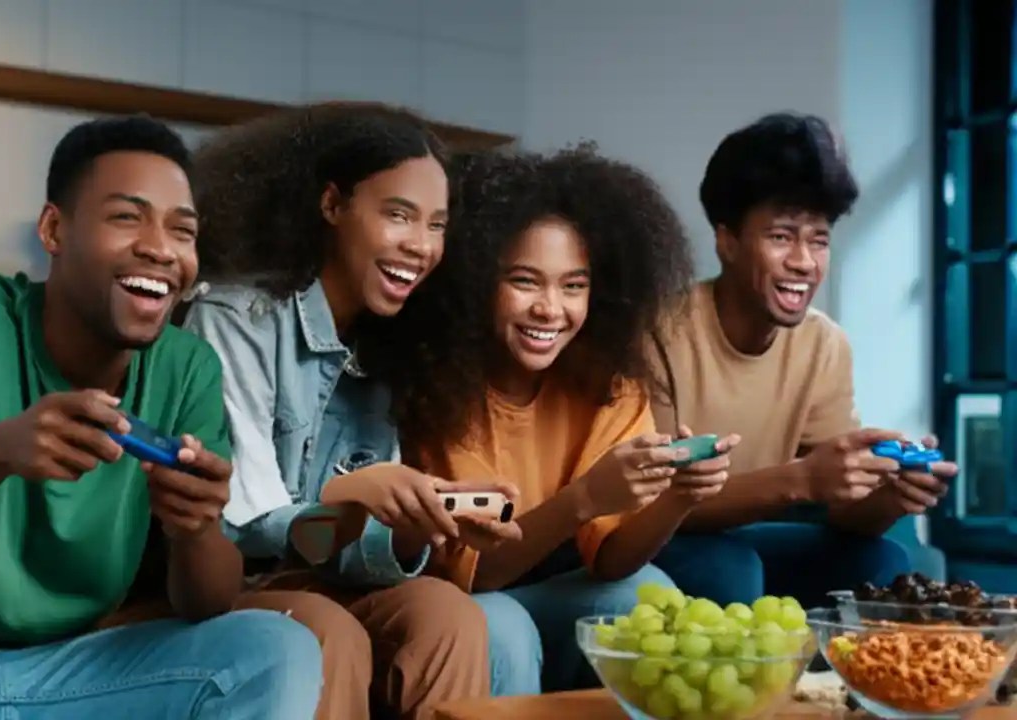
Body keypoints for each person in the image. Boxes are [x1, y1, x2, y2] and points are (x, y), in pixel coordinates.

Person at [0, 116, 323, 720]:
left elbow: (208, 602)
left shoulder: (188, 366)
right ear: (54, 229)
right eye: (127, 216)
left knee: (276, 649)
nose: (160, 247)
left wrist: (196, 527)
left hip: (75, 670)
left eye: (183, 230)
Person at [178, 102, 520, 720]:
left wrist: (415, 522)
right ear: (332, 206)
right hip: (224, 587)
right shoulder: (235, 320)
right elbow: (243, 531)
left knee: (447, 615)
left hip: (317, 579)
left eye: (438, 225)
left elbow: (337, 552)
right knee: (322, 629)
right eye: (398, 215)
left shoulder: (397, 345)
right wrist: (349, 498)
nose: (420, 245)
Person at [391, 144, 736, 692]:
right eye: (525, 282)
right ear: (476, 283)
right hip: (455, 604)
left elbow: (613, 560)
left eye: (573, 286)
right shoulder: (443, 393)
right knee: (501, 627)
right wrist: (585, 498)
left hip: (544, 591)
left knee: (651, 594)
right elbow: (477, 576)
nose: (551, 309)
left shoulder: (610, 387)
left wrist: (680, 496)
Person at [647, 111, 960, 608]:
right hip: (656, 541)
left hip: (755, 534)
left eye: (819, 239)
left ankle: (838, 688)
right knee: (730, 566)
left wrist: (890, 496)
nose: (804, 262)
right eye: (781, 236)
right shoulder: (658, 333)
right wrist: (799, 480)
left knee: (885, 561)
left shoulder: (824, 344)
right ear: (726, 239)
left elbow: (844, 511)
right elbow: (650, 507)